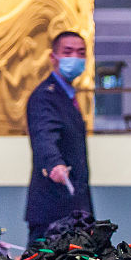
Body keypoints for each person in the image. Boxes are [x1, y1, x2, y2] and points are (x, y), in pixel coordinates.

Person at [24, 30, 93, 245]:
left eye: (81, 53)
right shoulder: (46, 96)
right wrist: (54, 164)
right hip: (53, 208)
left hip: (75, 205)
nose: (75, 58)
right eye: (68, 52)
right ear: (53, 57)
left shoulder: (67, 95)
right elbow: (44, 135)